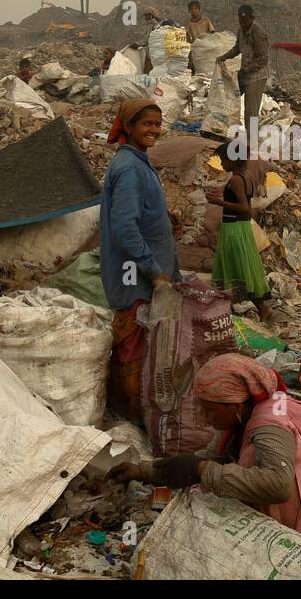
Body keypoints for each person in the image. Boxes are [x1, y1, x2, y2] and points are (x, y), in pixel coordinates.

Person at [112, 354, 301, 556]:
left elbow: (278, 486)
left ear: (236, 405)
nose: (204, 417)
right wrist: (144, 471)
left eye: (209, 410)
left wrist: (203, 471)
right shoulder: (251, 411)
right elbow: (210, 459)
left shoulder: (269, 423)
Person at [99, 99, 182, 420]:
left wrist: (164, 216)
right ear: (129, 127)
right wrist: (154, 270)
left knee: (141, 347)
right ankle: (132, 415)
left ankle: (133, 410)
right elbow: (123, 228)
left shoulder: (137, 162)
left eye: (158, 125)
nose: (154, 130)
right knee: (133, 349)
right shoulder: (130, 168)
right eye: (147, 124)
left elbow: (135, 212)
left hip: (141, 274)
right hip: (134, 276)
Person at [206, 142, 272, 322]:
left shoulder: (235, 180)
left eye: (223, 159)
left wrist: (218, 202)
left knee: (233, 267)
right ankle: (260, 308)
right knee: (243, 267)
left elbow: (244, 208)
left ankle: (230, 311)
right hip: (241, 228)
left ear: (233, 160)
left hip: (233, 228)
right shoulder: (247, 177)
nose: (221, 164)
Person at [217, 4, 270, 133]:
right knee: (228, 99)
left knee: (250, 111)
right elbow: (237, 49)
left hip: (257, 75)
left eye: (245, 22)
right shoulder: (241, 30)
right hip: (245, 73)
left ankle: (251, 143)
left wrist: (249, 68)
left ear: (252, 18)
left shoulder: (258, 32)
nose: (243, 24)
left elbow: (264, 58)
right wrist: (223, 57)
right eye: (241, 21)